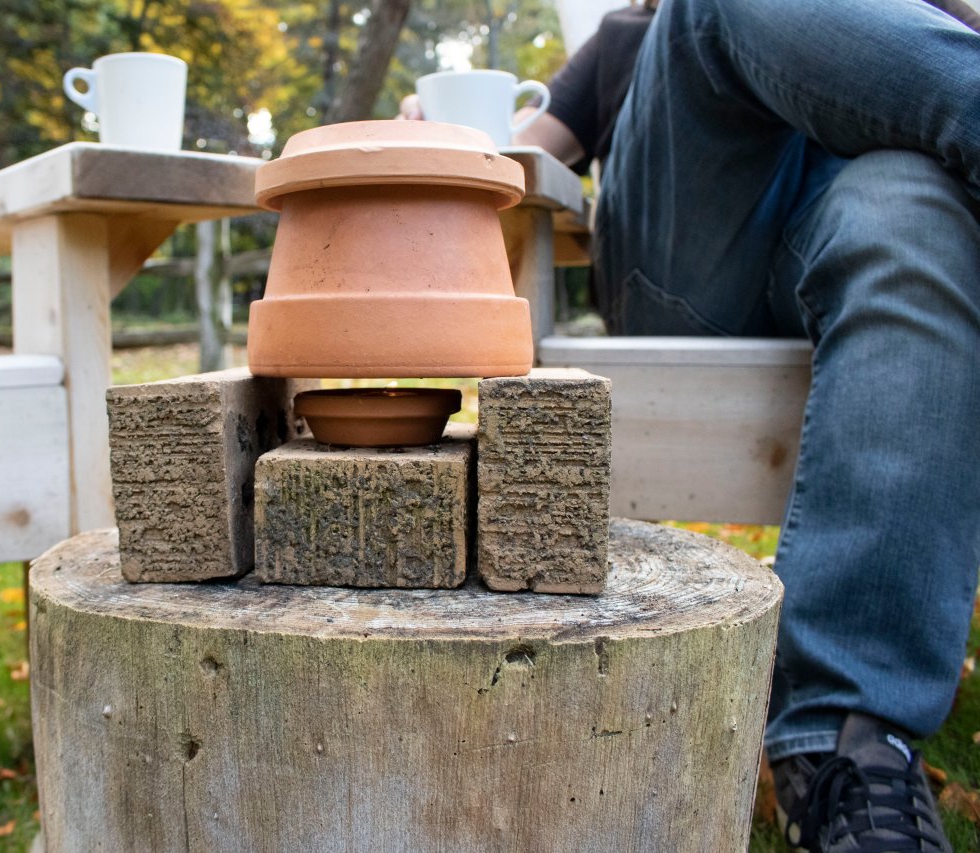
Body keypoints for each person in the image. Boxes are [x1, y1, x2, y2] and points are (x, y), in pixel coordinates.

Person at [404, 1, 980, 850]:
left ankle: (849, 744)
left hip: (861, 222)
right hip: (686, 270)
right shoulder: (626, 38)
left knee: (911, 208)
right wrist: (446, 135)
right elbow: (519, 155)